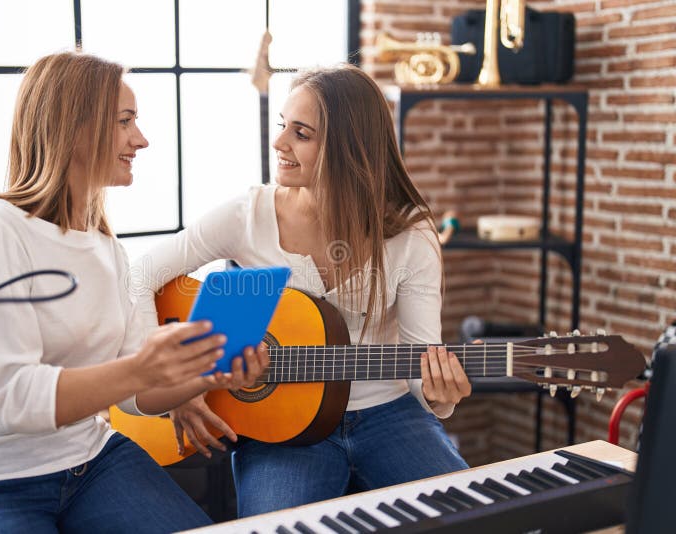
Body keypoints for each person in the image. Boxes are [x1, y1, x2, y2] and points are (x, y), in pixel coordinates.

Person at [0, 50, 268, 533]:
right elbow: (14, 400)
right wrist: (140, 367)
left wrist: (212, 377)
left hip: (91, 460)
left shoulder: (107, 249)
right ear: (74, 125)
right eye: (124, 122)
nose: (141, 140)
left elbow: (140, 395)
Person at [132, 63, 472, 518]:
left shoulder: (410, 235)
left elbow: (419, 361)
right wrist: (174, 388)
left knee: (475, 517)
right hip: (282, 431)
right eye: (282, 126)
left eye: (301, 133)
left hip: (389, 415)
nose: (279, 143)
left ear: (349, 148)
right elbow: (138, 278)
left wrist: (438, 394)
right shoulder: (246, 215)